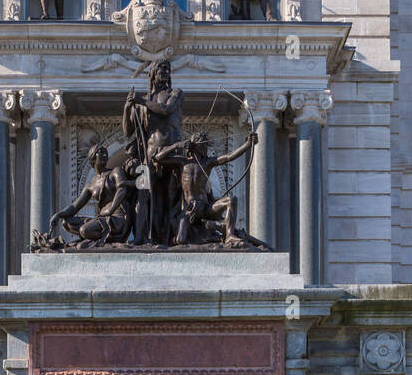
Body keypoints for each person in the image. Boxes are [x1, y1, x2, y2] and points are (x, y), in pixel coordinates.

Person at [153, 129, 259, 246]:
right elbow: (158, 158)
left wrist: (248, 144)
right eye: (201, 142)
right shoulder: (181, 162)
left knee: (231, 199)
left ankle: (230, 235)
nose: (204, 145)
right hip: (190, 210)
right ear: (193, 144)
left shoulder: (207, 163)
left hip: (206, 208)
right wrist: (176, 145)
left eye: (205, 143)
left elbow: (229, 157)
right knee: (180, 240)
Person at [122, 58, 184, 244]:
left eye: (167, 68)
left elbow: (166, 109)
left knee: (173, 196)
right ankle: (141, 237)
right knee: (144, 195)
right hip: (150, 155)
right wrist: (127, 108)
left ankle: (173, 237)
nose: (165, 71)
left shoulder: (176, 93)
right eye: (161, 68)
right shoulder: (143, 101)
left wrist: (140, 101)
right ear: (152, 73)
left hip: (173, 153)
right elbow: (128, 131)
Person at [47, 143, 136, 247]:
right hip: (102, 218)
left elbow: (122, 189)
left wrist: (111, 209)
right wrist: (59, 215)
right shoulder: (91, 184)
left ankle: (98, 239)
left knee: (84, 230)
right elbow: (74, 207)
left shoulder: (115, 171)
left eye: (105, 153)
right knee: (66, 223)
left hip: (117, 218)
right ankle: (96, 237)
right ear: (92, 159)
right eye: (100, 152)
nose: (104, 155)